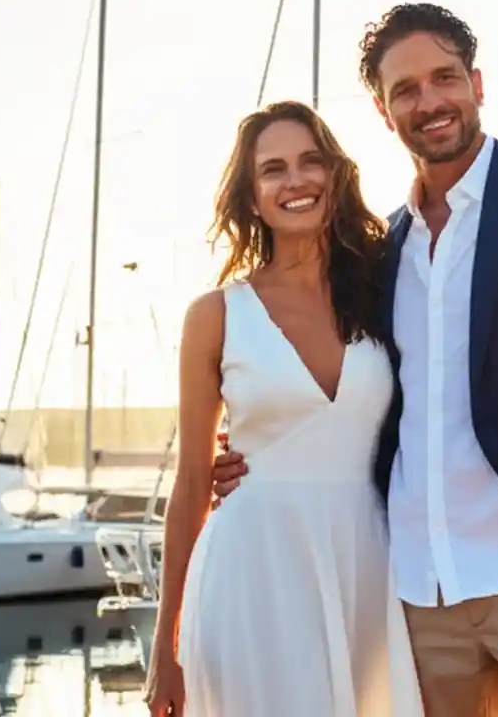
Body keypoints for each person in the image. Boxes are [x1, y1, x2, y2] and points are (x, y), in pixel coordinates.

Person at [209, 3, 498, 716]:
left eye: (444, 78)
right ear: (382, 109)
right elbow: (344, 388)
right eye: (405, 89)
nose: (429, 101)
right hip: (420, 597)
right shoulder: (379, 251)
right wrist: (257, 447)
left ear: (476, 83)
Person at [144, 100, 424, 717]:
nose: (295, 181)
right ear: (251, 196)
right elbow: (191, 485)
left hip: (365, 564)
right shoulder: (215, 315)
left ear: (335, 174)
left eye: (309, 161)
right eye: (273, 169)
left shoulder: (381, 292)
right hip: (253, 570)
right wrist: (166, 646)